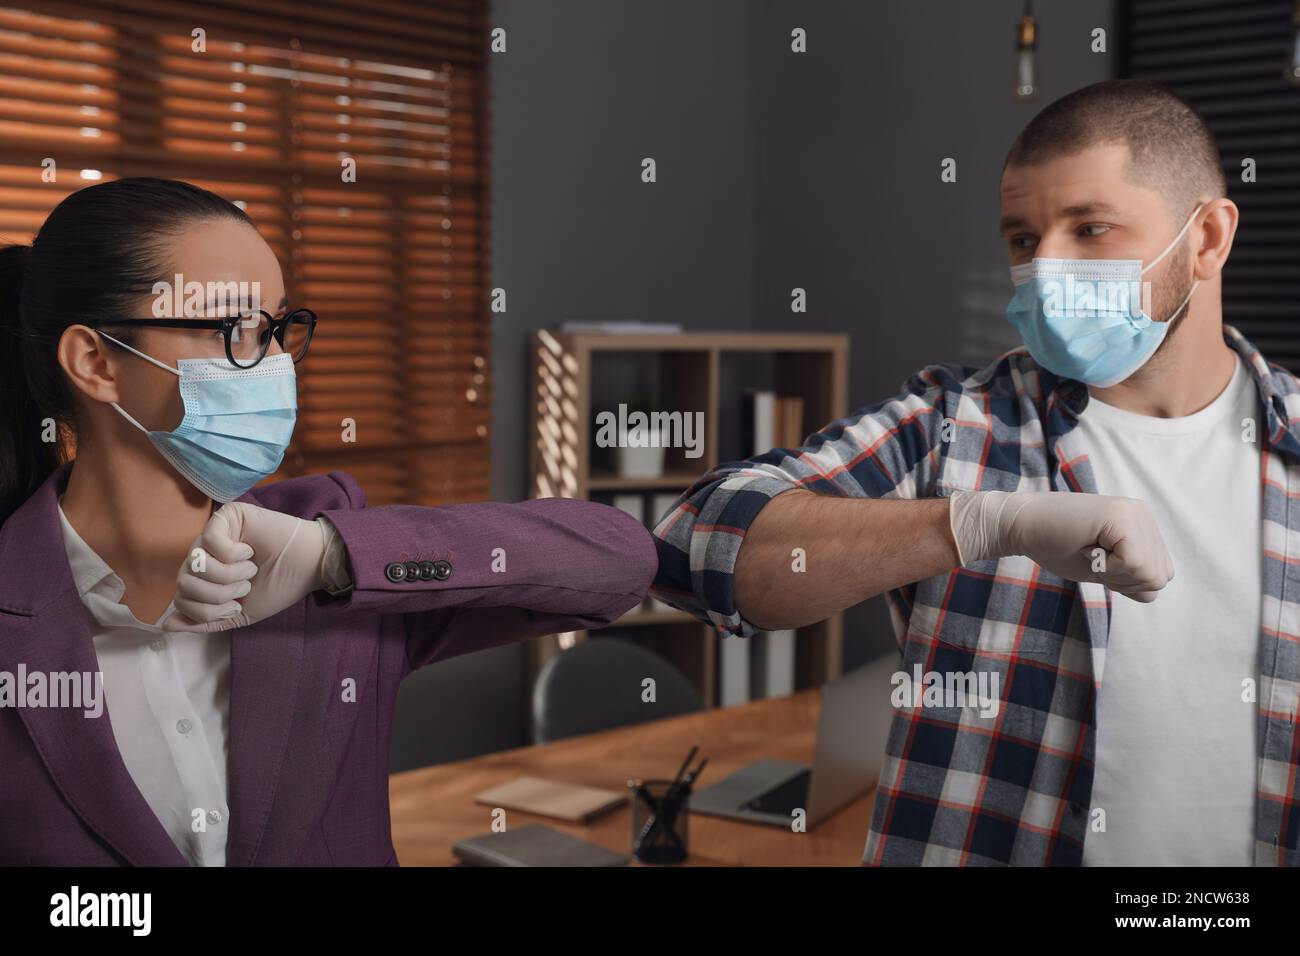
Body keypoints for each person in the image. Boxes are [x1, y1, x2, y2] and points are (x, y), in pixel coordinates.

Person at [651, 79, 1300, 866]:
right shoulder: (954, 427)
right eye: (1023, 241)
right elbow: (696, 548)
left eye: (1090, 228)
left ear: (1207, 239)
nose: (1046, 270)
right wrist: (977, 523)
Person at [0, 177, 657, 866]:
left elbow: (620, 563)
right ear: (96, 361)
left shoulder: (329, 551)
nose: (276, 364)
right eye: (234, 329)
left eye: (279, 328)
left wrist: (331, 557)